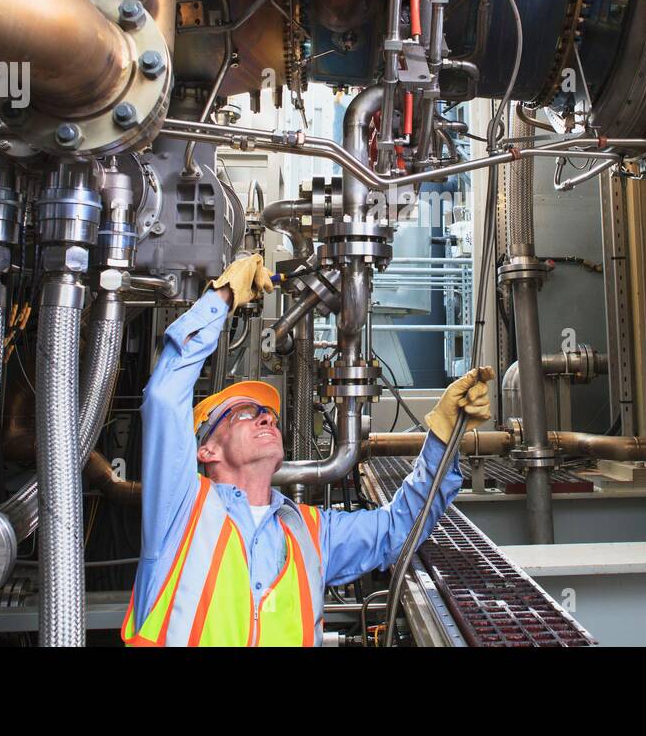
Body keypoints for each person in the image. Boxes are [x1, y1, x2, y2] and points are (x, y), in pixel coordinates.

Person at [121, 253, 495, 646]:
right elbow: (165, 396)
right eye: (244, 415)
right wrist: (222, 298)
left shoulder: (312, 532)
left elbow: (398, 529)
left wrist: (443, 435)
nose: (267, 418)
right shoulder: (180, 510)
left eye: (268, 413)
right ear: (206, 451)